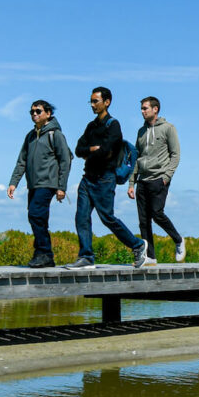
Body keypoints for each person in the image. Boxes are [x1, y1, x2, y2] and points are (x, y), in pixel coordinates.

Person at [67, 87, 149, 270]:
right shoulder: (91, 126)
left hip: (105, 179)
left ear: (107, 102)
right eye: (91, 101)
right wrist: (91, 149)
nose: (92, 105)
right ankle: (86, 257)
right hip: (87, 179)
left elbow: (106, 151)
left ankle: (137, 245)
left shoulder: (113, 125)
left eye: (95, 101)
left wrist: (94, 152)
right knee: (81, 217)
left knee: (107, 218)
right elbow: (79, 149)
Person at [8, 100, 72, 268]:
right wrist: (14, 182)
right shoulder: (30, 136)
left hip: (48, 183)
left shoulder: (55, 134)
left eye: (38, 111)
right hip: (33, 184)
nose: (34, 114)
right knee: (38, 218)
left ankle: (44, 252)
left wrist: (61, 187)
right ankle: (43, 255)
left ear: (48, 113)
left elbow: (65, 161)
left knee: (35, 214)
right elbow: (21, 161)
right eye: (32, 112)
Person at [127, 96, 184, 264]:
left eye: (145, 108)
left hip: (159, 178)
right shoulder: (141, 132)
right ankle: (150, 256)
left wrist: (166, 177)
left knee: (157, 213)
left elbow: (175, 154)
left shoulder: (168, 128)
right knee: (143, 221)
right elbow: (135, 158)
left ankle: (178, 240)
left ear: (155, 109)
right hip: (142, 180)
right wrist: (131, 183)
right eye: (141, 109)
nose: (142, 111)